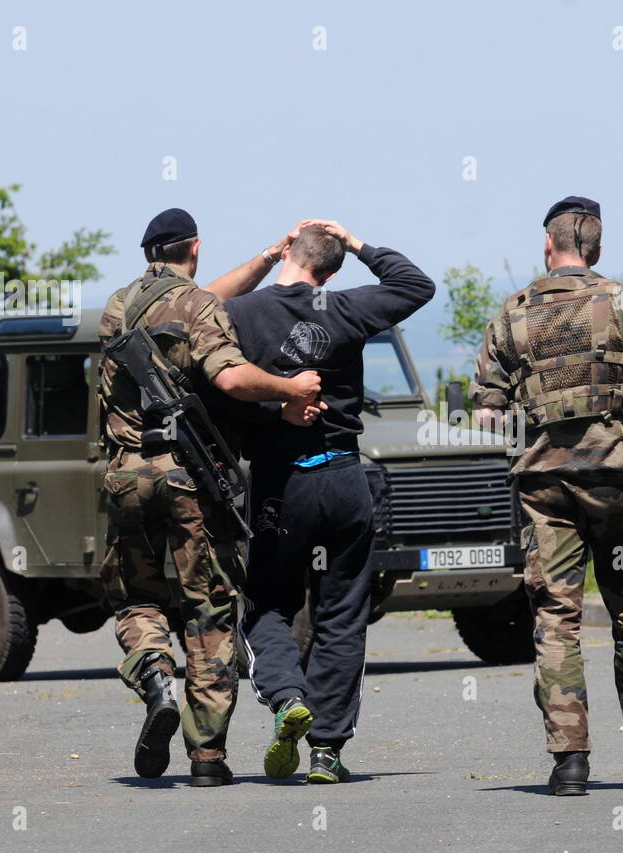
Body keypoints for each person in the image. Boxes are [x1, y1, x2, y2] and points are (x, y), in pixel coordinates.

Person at [471, 196, 623, 796]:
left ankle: (569, 762)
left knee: (556, 620)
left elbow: (487, 415)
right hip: (614, 484)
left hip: (544, 489)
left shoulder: (511, 313)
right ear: (597, 248)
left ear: (549, 246)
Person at [99, 208, 322, 787]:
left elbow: (198, 299)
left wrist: (269, 257)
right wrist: (288, 388)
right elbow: (230, 378)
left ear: (150, 254)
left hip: (125, 476)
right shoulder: (200, 309)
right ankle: (207, 758)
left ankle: (154, 677)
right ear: (194, 250)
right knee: (209, 611)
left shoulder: (119, 307)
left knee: (138, 599)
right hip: (186, 479)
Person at [225, 221, 435, 784]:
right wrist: (360, 242)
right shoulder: (344, 306)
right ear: (334, 271)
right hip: (344, 477)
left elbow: (209, 368)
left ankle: (288, 697)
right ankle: (326, 751)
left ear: (289, 252)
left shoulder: (242, 314)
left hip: (279, 484)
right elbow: (417, 286)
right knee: (342, 616)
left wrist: (267, 256)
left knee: (268, 606)